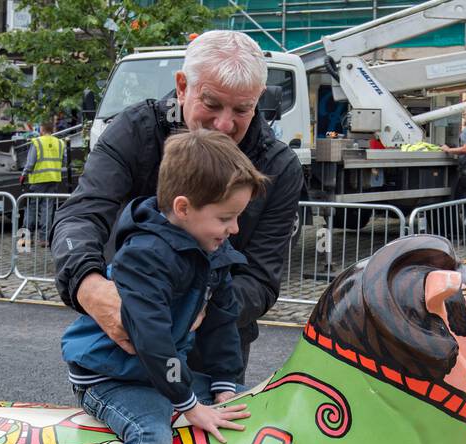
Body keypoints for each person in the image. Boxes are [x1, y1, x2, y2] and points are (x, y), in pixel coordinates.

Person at [43, 130, 264, 444]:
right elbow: (150, 339)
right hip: (111, 375)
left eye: (237, 218)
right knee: (152, 437)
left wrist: (224, 384)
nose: (232, 229)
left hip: (161, 368)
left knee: (241, 408)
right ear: (183, 208)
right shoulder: (147, 255)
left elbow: (224, 322)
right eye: (225, 218)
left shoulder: (211, 251)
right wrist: (189, 403)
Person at [52, 30, 300, 382]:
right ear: (182, 86)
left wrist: (199, 307)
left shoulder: (279, 167)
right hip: (120, 349)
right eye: (211, 104)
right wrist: (91, 288)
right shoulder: (134, 133)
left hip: (213, 356)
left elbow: (260, 277)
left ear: (259, 99)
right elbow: (80, 217)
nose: (225, 124)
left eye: (242, 109)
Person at [22, 120, 66, 243]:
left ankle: (26, 239)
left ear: (42, 129)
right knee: (47, 208)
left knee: (31, 208)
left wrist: (24, 174)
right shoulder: (60, 143)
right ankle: (45, 239)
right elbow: (64, 161)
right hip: (54, 179)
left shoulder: (37, 142)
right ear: (52, 130)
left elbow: (30, 163)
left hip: (38, 180)